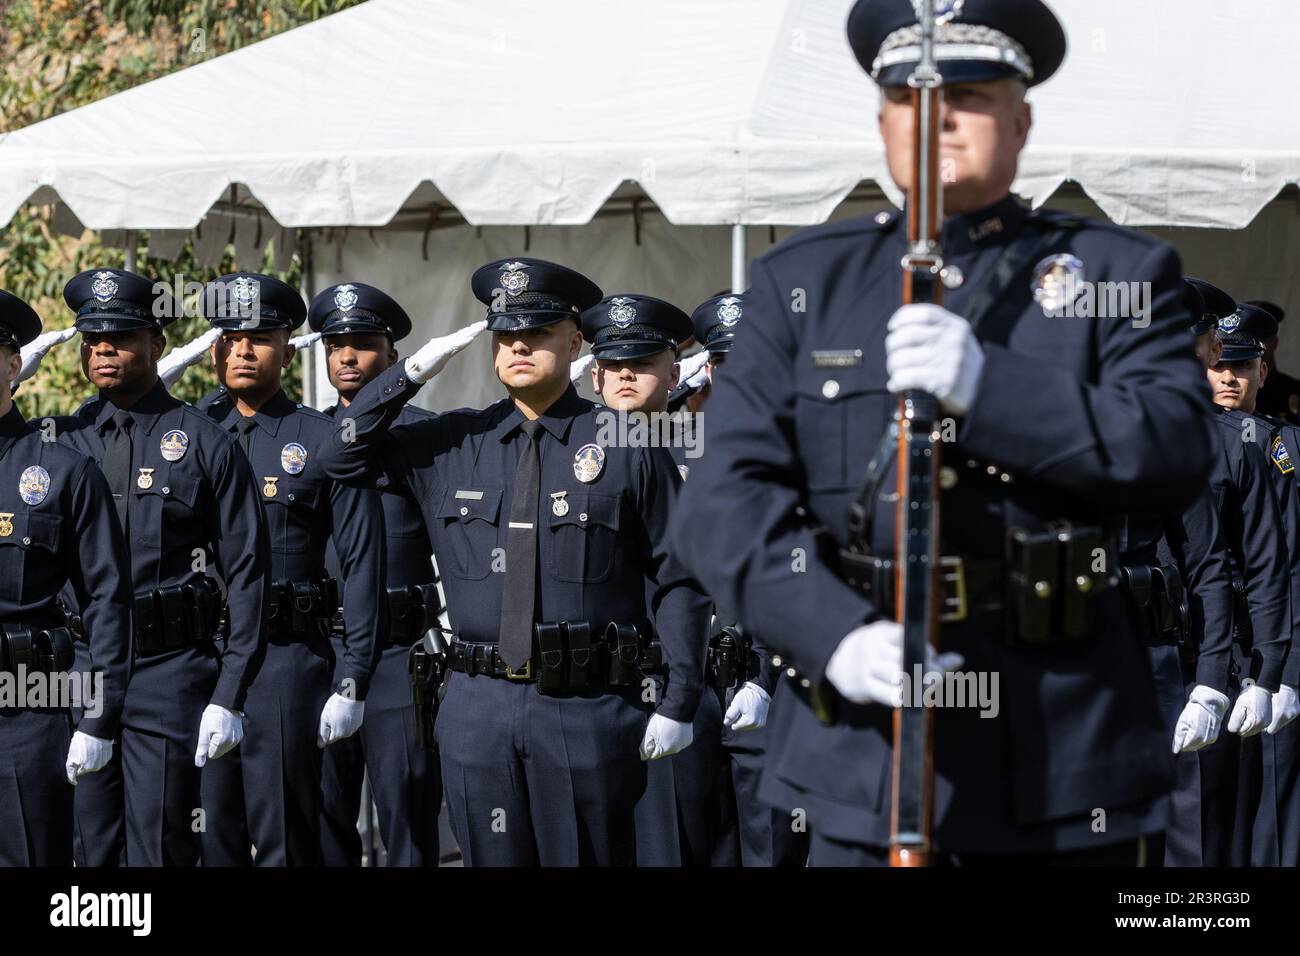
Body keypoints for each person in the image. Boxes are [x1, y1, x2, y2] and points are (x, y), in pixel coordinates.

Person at [670, 0, 1216, 866]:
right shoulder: (802, 283)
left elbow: (1176, 450)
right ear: (883, 118)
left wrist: (989, 389)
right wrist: (831, 634)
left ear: (1022, 118)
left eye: (971, 93)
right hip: (862, 746)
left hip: (1062, 742)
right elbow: (720, 501)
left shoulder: (1118, 272)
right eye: (911, 96)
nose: (940, 117)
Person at [314, 256, 712, 865]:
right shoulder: (449, 442)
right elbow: (338, 457)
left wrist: (680, 697)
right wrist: (410, 373)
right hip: (477, 710)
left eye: (539, 333)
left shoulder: (626, 439)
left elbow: (678, 574)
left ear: (575, 341)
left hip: (589, 708)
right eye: (505, 336)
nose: (519, 345)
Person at [49, 267, 269, 867]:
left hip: (168, 671)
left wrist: (230, 692)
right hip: (84, 669)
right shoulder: (61, 443)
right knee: (89, 849)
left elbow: (247, 574)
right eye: (92, 338)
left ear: (157, 343)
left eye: (119, 337)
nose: (102, 350)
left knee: (162, 846)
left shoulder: (204, 443)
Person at [195, 272, 384, 866]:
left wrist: (352, 675)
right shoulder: (190, 437)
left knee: (288, 839)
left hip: (288, 662)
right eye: (230, 337)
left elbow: (360, 563)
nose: (243, 350)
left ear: (287, 347)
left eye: (261, 337)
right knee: (211, 834)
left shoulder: (323, 439)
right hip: (202, 656)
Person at [580, 292, 726, 866]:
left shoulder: (709, 449)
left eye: (640, 363)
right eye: (613, 365)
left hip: (684, 674)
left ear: (675, 371)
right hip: (590, 687)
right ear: (593, 375)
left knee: (684, 843)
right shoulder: (567, 449)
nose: (624, 376)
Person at [311, 281, 444, 867]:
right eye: (336, 345)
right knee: (324, 816)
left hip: (398, 652)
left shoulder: (425, 437)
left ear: (393, 357)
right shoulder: (305, 436)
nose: (346, 357)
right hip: (322, 646)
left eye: (363, 344)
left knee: (408, 822)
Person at [0, 289, 132, 866]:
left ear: (12, 366)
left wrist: (99, 719)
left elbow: (107, 597)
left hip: (28, 708)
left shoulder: (60, 470)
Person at [685, 291, 808, 867]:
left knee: (772, 848)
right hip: (692, 681)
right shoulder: (672, 448)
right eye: (725, 363)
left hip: (776, 684)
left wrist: (766, 677)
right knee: (701, 844)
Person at [1204, 299, 1300, 865]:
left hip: (1264, 642)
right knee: (1213, 806)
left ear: (1263, 370)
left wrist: (1287, 669)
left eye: (1241, 367)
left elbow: (1289, 562)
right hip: (1211, 644)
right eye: (1220, 365)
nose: (1228, 378)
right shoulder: (1187, 438)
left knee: (1269, 798)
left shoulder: (1277, 446)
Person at [1251, 300, 1300, 426]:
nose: (1259, 346)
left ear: (1275, 342)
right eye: (1253, 340)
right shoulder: (1232, 386)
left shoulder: (1294, 389)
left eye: (1263, 339)